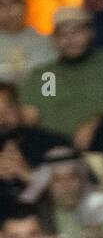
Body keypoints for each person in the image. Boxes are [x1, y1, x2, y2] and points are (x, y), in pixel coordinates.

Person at [18, 5, 103, 208]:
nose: (70, 39)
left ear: (91, 32)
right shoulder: (47, 76)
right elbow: (30, 118)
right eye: (63, 34)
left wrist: (94, 124)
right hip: (56, 143)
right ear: (54, 39)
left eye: (77, 31)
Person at [0, 81, 70, 217]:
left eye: (7, 111)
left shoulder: (53, 143)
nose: (1, 120)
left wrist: (28, 175)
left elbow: (78, 194)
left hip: (47, 224)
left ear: (19, 107)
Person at [0, 0, 55, 83]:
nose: (9, 10)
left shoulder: (46, 44)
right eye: (1, 4)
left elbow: (51, 89)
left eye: (14, 2)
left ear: (24, 4)